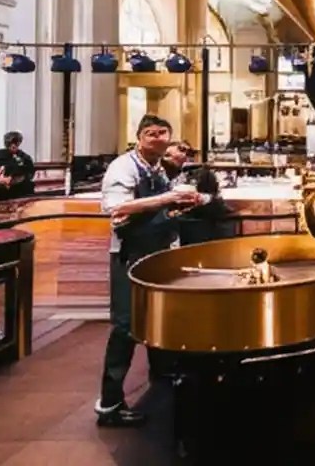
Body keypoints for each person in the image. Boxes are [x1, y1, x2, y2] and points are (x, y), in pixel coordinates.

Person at [95, 115, 207, 428]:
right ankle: (109, 404)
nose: (157, 138)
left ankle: (162, 373)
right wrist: (166, 198)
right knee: (124, 327)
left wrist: (186, 202)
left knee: (158, 316)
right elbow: (116, 208)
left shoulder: (157, 168)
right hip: (129, 255)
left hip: (156, 253)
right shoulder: (124, 167)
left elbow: (160, 207)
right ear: (138, 137)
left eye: (162, 133)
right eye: (150, 133)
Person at [0, 131, 35, 199]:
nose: (14, 145)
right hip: (0, 191)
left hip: (20, 189)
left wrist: (17, 179)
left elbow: (30, 173)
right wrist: (0, 179)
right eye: (11, 143)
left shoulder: (24, 157)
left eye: (16, 142)